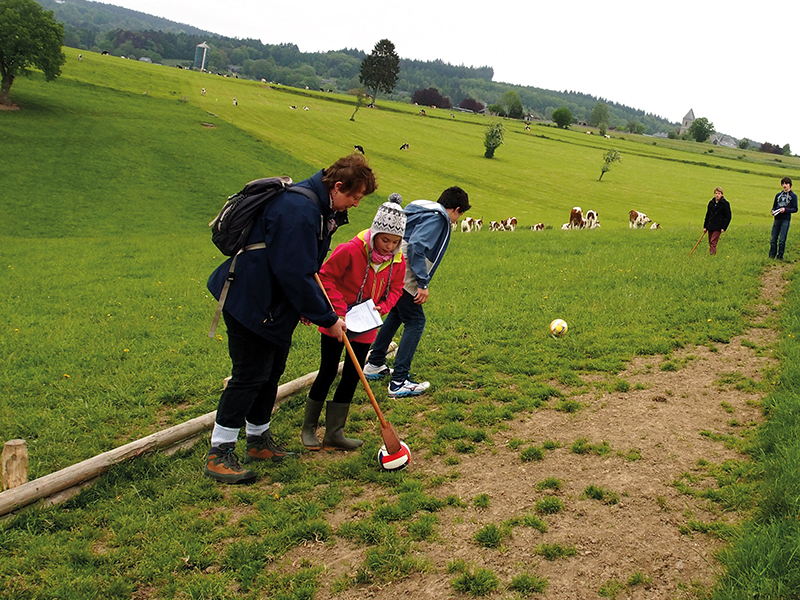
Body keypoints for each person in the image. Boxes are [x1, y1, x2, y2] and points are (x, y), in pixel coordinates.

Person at [204, 154, 377, 484]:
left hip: (274, 307)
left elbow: (304, 270)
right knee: (249, 374)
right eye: (355, 196)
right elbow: (295, 273)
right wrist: (327, 318)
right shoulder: (300, 210)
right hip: (250, 301)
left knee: (271, 373)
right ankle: (220, 452)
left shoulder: (318, 209)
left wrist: (317, 312)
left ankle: (258, 440)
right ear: (337, 186)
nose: (356, 204)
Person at [302, 196, 407, 450]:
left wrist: (380, 308)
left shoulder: (398, 260)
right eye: (385, 240)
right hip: (337, 322)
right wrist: (338, 312)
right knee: (327, 372)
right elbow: (325, 278)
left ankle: (335, 433)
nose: (389, 246)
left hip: (366, 326)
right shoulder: (350, 250)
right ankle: (309, 428)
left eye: (395, 242)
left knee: (352, 375)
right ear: (374, 233)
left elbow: (396, 289)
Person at [363, 186, 471, 398]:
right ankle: (399, 381)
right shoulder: (439, 218)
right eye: (459, 215)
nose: (456, 221)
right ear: (456, 209)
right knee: (415, 321)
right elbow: (417, 247)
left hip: (392, 266)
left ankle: (374, 363)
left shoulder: (423, 207)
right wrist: (423, 283)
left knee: (396, 314)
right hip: (406, 273)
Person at [769, 177, 798, 260]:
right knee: (773, 239)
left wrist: (786, 210)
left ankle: (780, 256)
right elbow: (774, 205)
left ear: (790, 185)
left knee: (782, 239)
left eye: (786, 183)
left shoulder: (793, 196)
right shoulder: (778, 195)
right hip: (777, 219)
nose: (784, 185)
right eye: (783, 183)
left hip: (785, 219)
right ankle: (771, 256)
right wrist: (773, 210)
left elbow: (795, 209)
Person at [703, 186, 732, 255]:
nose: (717, 195)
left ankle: (712, 255)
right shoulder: (711, 203)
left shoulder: (725, 204)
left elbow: (728, 216)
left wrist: (724, 227)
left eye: (719, 193)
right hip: (710, 225)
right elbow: (708, 215)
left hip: (718, 226)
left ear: (721, 194)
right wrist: (705, 226)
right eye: (716, 193)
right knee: (710, 241)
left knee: (713, 241)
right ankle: (712, 253)